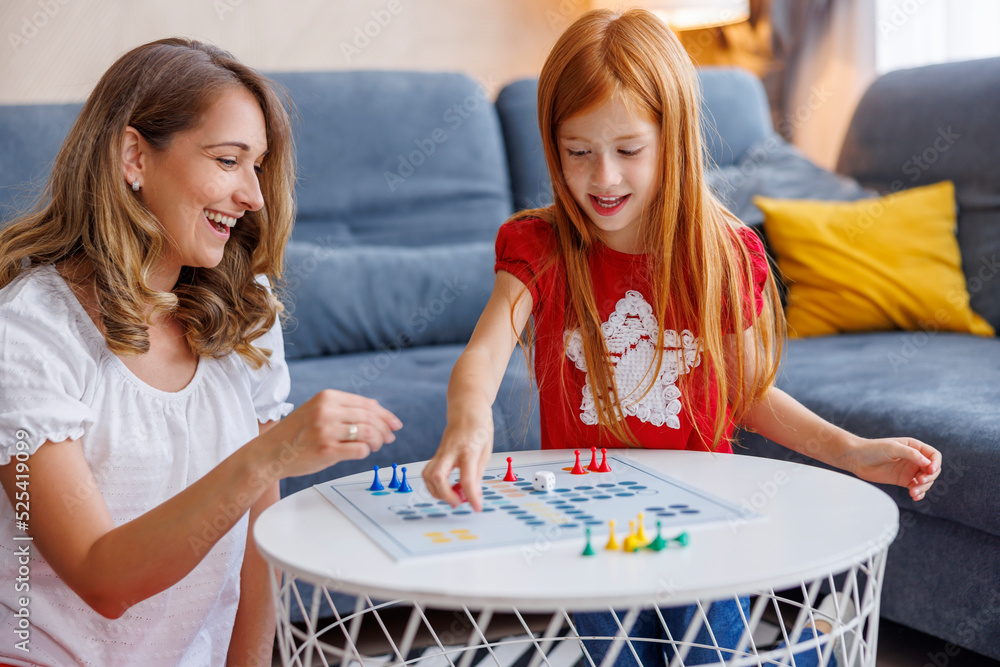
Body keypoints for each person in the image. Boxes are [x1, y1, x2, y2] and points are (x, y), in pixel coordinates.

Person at [421, 9, 941, 666]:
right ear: (552, 147)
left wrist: (852, 450)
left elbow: (749, 392)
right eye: (578, 152)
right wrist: (467, 419)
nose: (603, 178)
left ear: (674, 139)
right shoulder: (538, 245)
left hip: (702, 528)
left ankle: (813, 652)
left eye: (629, 150)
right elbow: (486, 351)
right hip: (592, 532)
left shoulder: (724, 254)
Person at [0, 39, 401, 666]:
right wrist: (269, 454)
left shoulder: (241, 306)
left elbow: (258, 543)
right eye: (228, 160)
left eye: (258, 166)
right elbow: (101, 579)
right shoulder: (30, 334)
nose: (254, 196)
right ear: (134, 155)